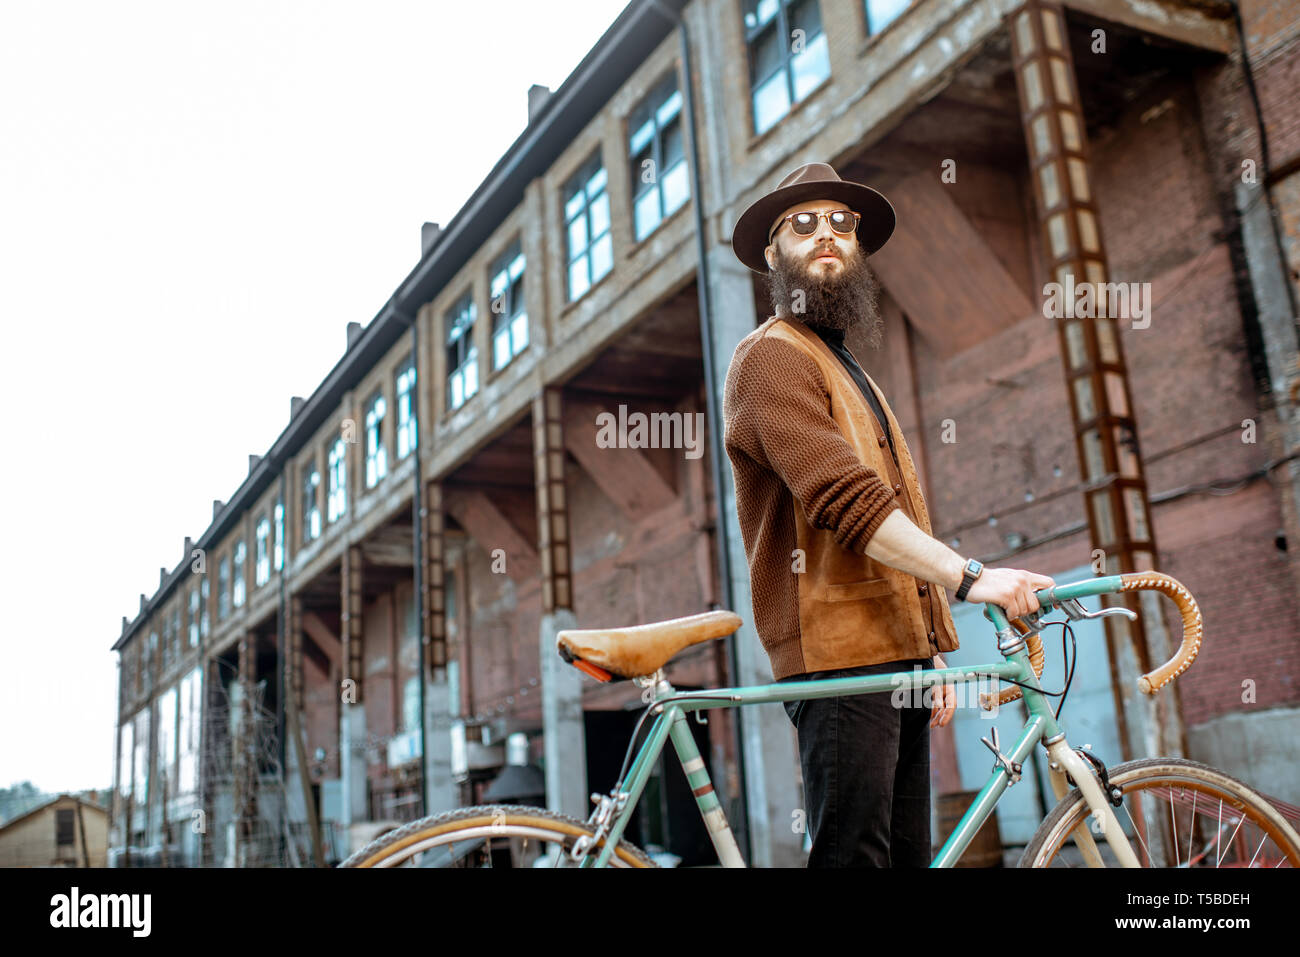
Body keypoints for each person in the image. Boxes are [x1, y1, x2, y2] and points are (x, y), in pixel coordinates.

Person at [722, 162, 1055, 867]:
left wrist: (925, 639)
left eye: (842, 225)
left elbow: (893, 520)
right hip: (835, 655)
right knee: (855, 858)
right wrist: (968, 578)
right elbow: (845, 499)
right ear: (772, 253)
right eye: (802, 223)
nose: (827, 235)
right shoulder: (770, 360)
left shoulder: (849, 370)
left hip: (889, 654)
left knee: (905, 858)